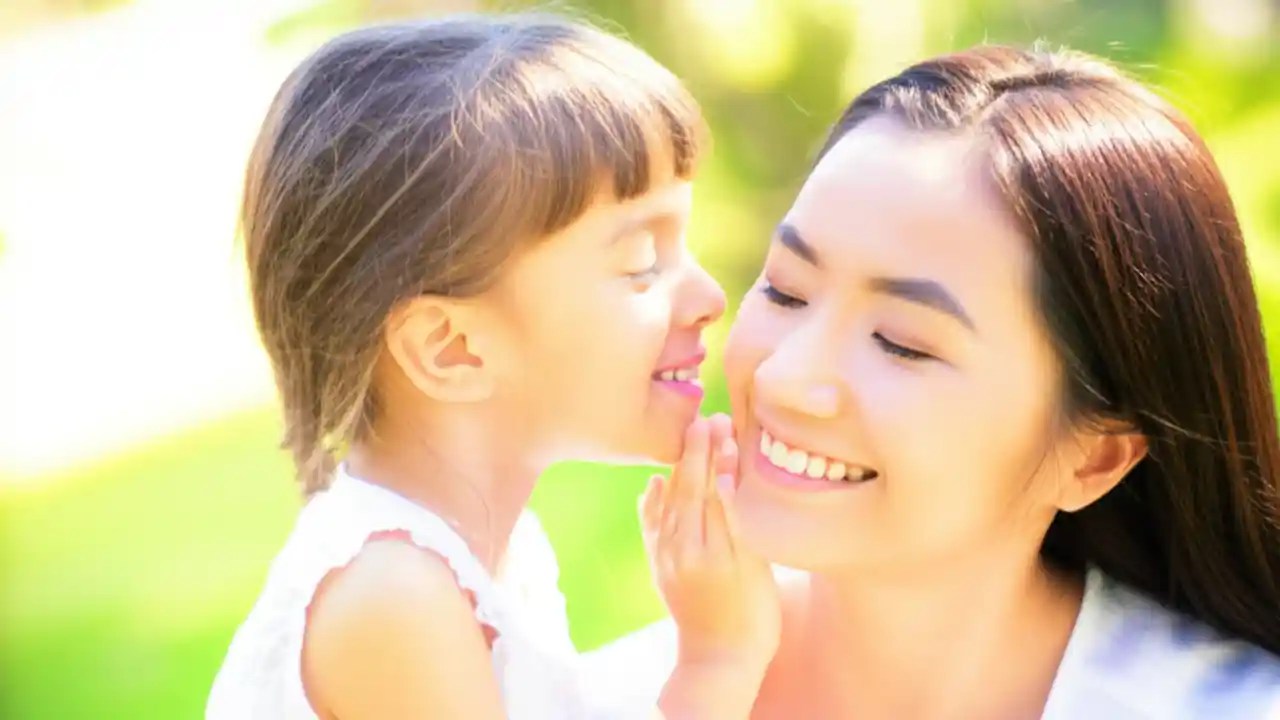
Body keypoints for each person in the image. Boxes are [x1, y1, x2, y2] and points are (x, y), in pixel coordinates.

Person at [589, 45, 1280, 719]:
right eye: (786, 291)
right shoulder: (599, 694)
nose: (788, 377)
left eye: (902, 344)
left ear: (1094, 457)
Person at [206, 14, 777, 719]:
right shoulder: (395, 597)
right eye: (639, 266)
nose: (709, 297)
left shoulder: (487, 556)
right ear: (453, 349)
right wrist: (717, 659)